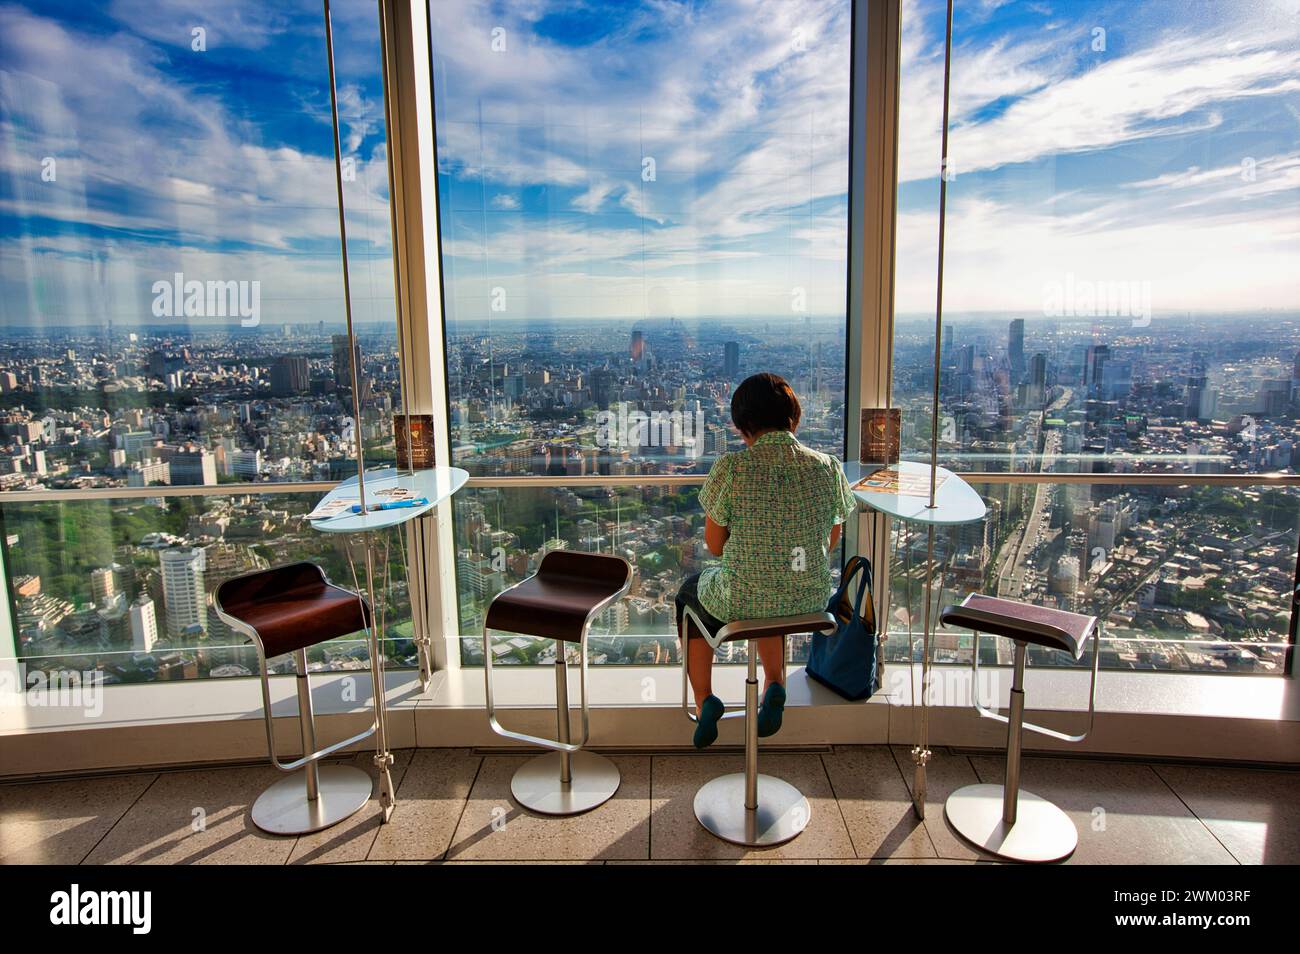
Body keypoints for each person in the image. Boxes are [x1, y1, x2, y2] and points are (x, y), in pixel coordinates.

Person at [676, 372, 857, 748]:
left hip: (744, 598)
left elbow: (715, 546)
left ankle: (705, 699)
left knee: (689, 595)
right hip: (809, 599)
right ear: (794, 417)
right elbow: (829, 539)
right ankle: (774, 684)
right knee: (774, 588)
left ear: (742, 426)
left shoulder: (732, 468)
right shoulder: (827, 468)